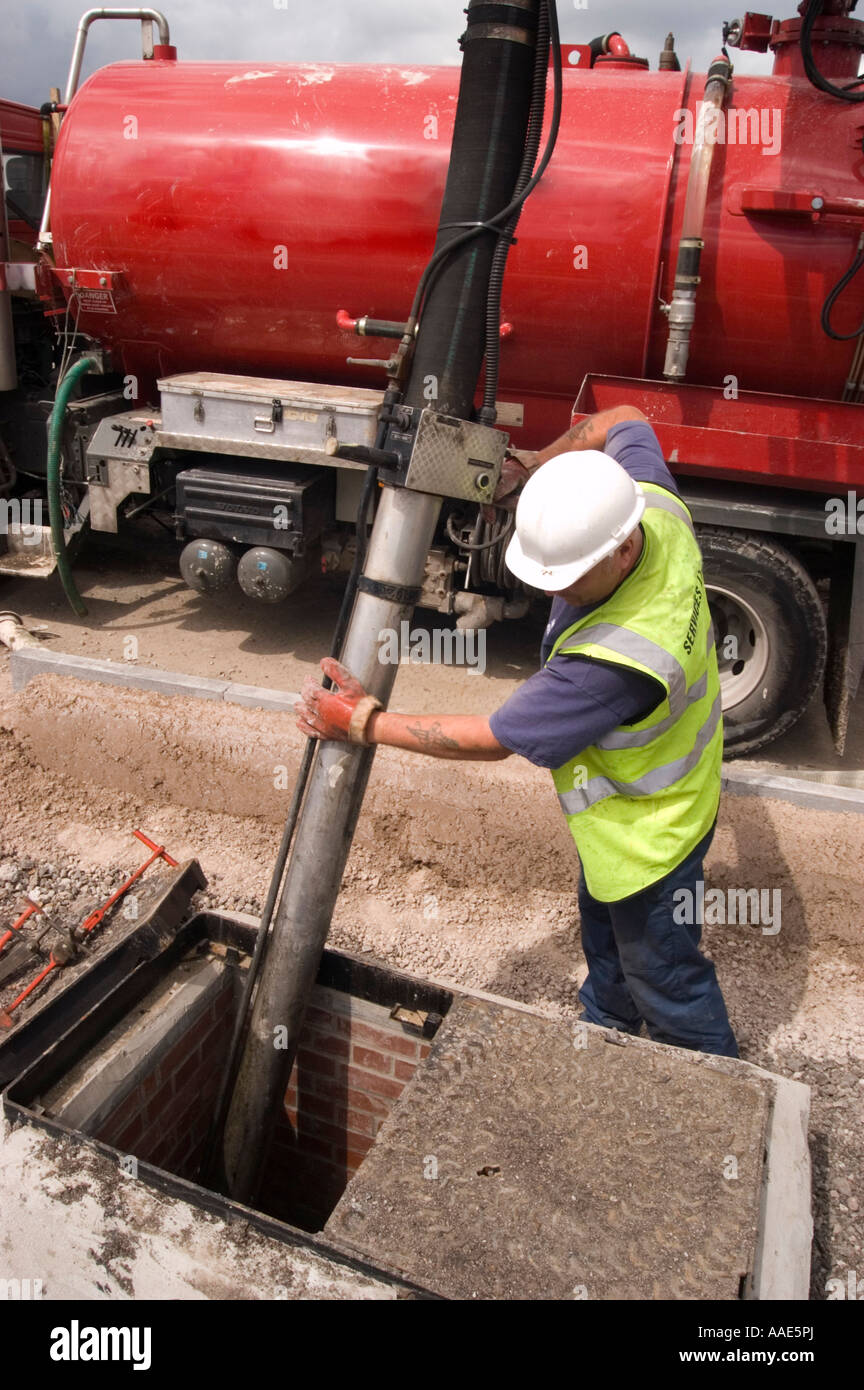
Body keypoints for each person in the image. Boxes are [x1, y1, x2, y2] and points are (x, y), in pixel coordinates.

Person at [295, 404, 738, 1059]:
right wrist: (535, 462)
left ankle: (710, 1091)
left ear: (620, 551)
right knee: (607, 933)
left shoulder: (616, 661)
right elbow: (624, 418)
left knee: (665, 973)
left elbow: (491, 736)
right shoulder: (651, 505)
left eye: (569, 578)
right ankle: (607, 1026)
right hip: (638, 813)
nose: (558, 591)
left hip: (653, 835)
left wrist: (363, 721)